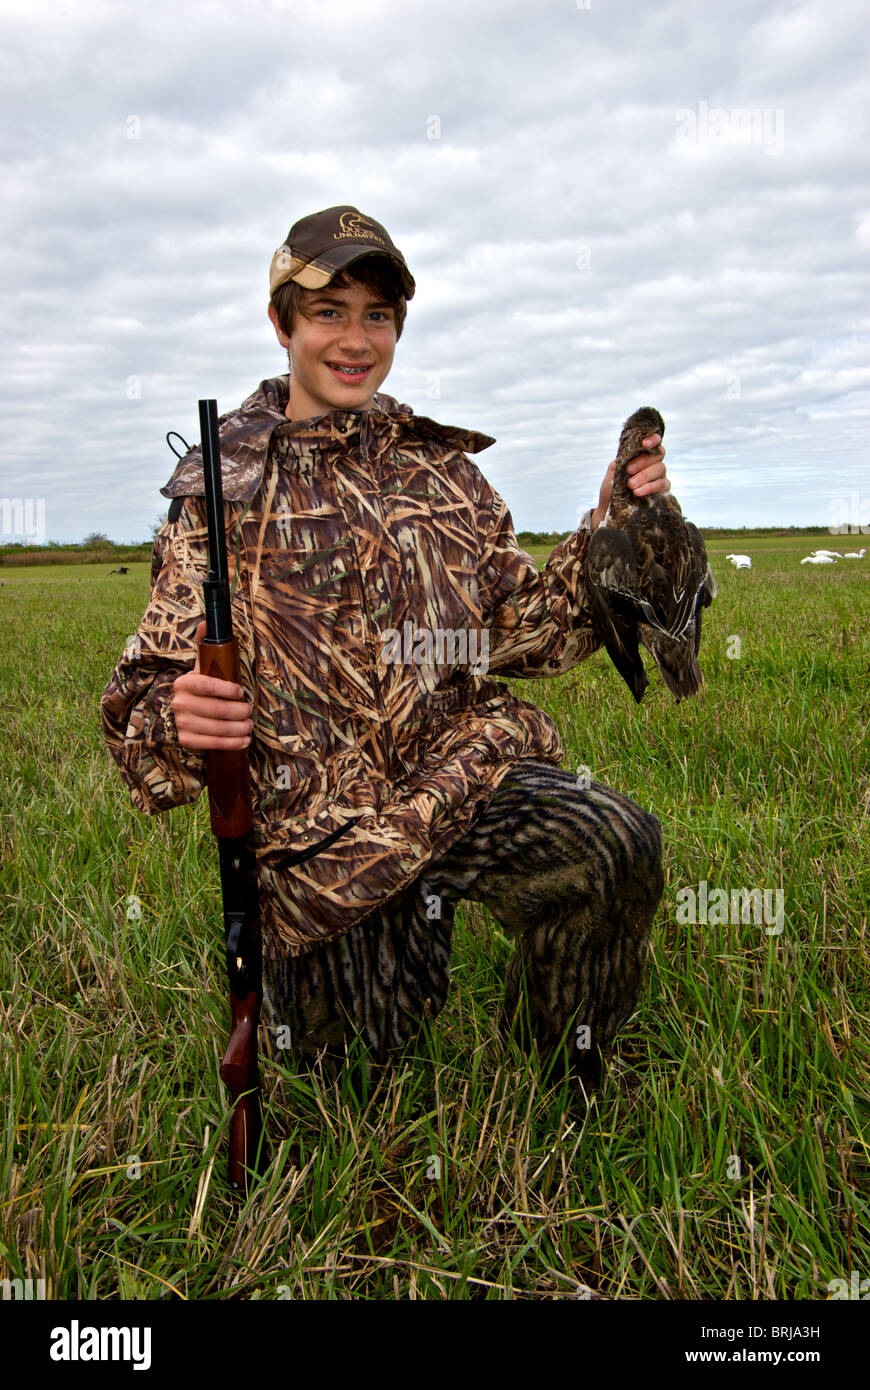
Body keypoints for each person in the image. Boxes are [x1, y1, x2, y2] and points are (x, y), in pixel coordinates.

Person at [101, 205, 669, 1093]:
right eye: (330, 311)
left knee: (611, 844)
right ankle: (369, 974)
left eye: (378, 315)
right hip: (325, 836)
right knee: (356, 1073)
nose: (355, 339)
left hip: (457, 774)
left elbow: (532, 631)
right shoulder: (222, 491)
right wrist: (181, 717)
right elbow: (143, 703)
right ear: (282, 321)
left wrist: (611, 531)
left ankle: (571, 1071)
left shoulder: (442, 475)